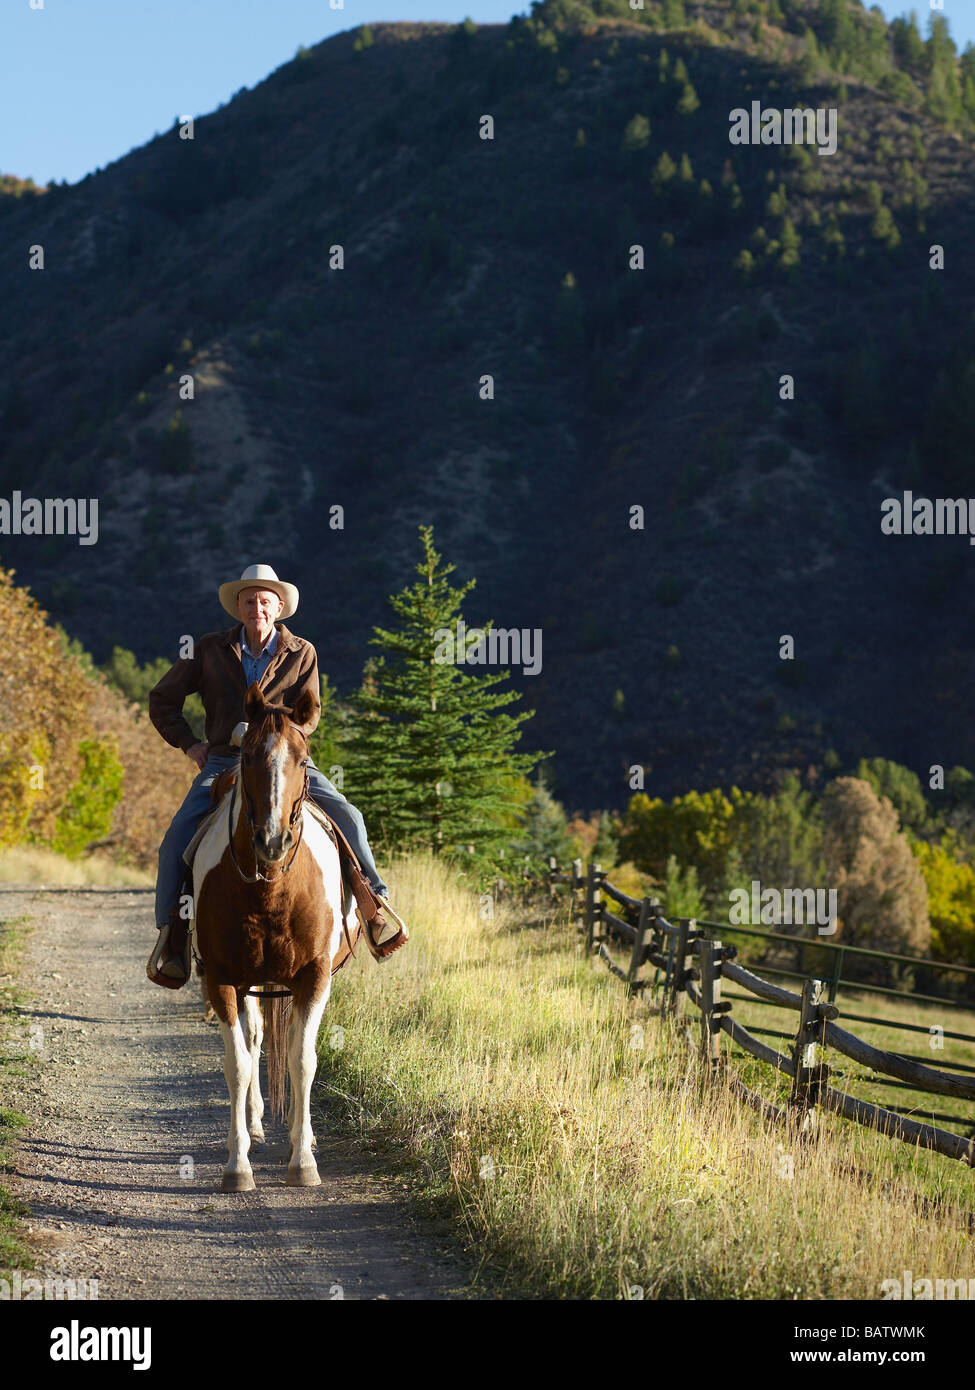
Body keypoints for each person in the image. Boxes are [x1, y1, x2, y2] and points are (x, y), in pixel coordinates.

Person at [146, 563, 405, 986]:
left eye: (265, 600)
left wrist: (286, 741)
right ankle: (172, 935)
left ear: (279, 606)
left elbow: (311, 710)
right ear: (238, 607)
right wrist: (192, 745)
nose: (257, 607)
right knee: (177, 838)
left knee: (349, 817)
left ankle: (375, 909)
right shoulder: (209, 648)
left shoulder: (302, 651)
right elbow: (162, 700)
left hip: (285, 759)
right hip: (227, 760)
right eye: (249, 600)